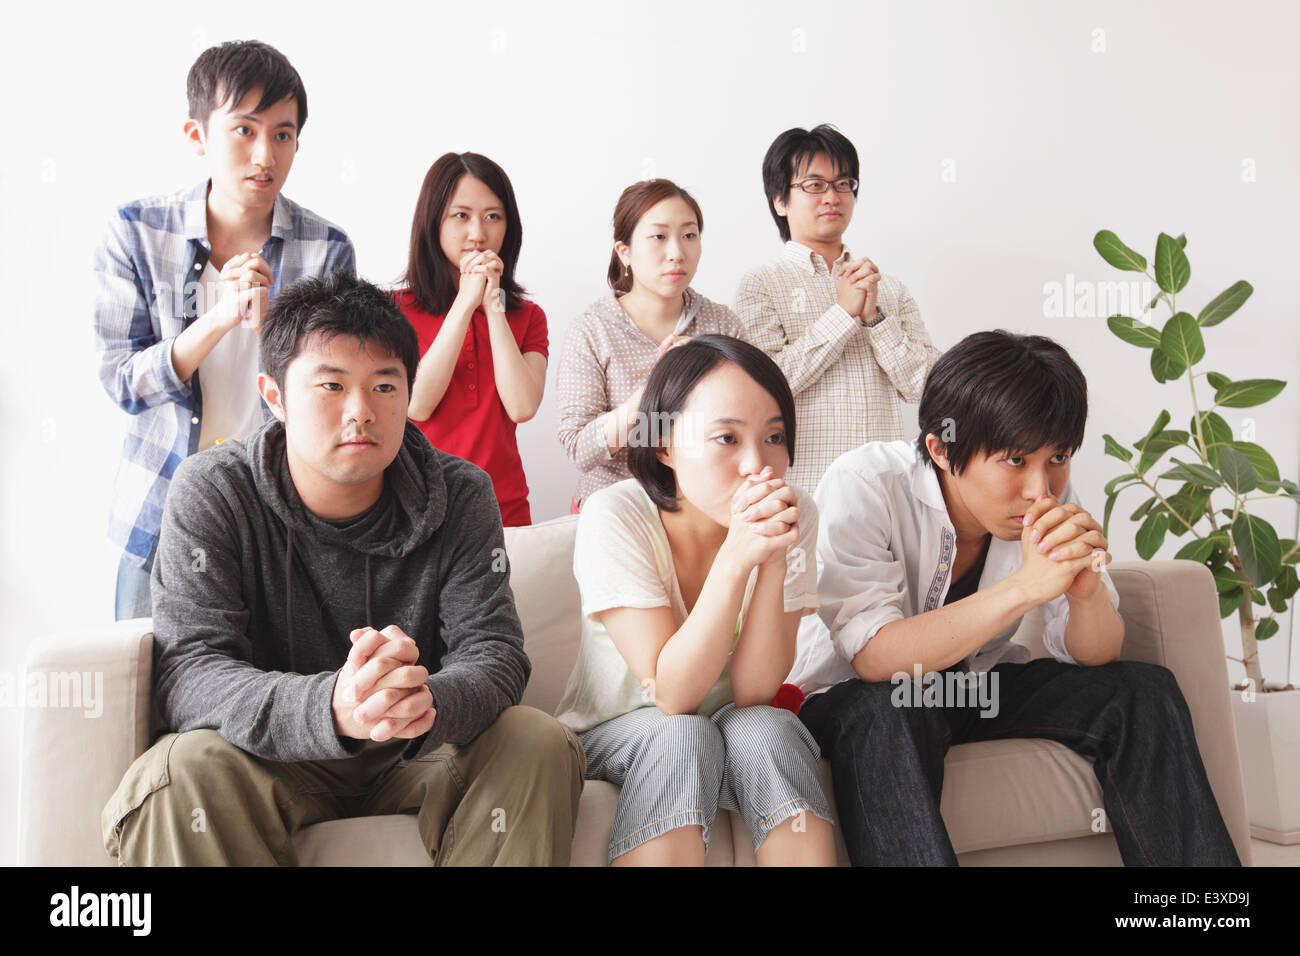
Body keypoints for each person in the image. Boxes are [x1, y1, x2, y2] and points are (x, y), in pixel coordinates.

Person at [101, 272, 584, 866]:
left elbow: (496, 654)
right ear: (274, 396)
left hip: (416, 749)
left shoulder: (461, 493)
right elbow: (190, 672)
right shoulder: (214, 490)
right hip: (269, 756)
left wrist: (421, 701)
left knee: (535, 740)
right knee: (179, 772)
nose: (361, 412)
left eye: (385, 386)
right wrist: (332, 705)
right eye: (330, 385)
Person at [788, 330, 1241, 866]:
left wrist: (1085, 592)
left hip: (975, 688)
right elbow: (876, 657)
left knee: (1141, 691)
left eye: (1058, 457)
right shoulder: (867, 482)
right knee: (889, 708)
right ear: (940, 447)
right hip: (858, 699)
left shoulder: (1050, 495)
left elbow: (1098, 654)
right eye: (1015, 460)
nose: (1040, 489)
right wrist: (1026, 585)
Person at [94, 40, 357, 621]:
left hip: (276, 524)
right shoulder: (136, 232)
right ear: (198, 137)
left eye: (283, 134)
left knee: (255, 701)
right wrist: (217, 317)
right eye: (244, 130)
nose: (265, 154)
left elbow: (333, 396)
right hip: (157, 521)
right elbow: (121, 382)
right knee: (140, 703)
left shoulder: (327, 248)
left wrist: (274, 332)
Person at [555, 334, 836, 866]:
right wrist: (735, 559)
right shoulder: (615, 515)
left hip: (733, 719)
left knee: (770, 728)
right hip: (617, 730)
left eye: (774, 437)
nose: (759, 465)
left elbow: (754, 691)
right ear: (664, 444)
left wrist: (772, 558)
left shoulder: (797, 513)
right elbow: (673, 695)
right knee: (682, 734)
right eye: (727, 438)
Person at [735, 123, 940, 493]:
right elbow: (762, 387)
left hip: (889, 491)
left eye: (843, 184)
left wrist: (875, 320)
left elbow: (929, 387)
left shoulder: (888, 288)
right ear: (780, 200)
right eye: (814, 185)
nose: (832, 196)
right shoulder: (760, 284)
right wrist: (842, 316)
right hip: (806, 491)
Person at [556, 178, 747, 511]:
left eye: (689, 235)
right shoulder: (592, 329)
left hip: (704, 507)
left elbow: (752, 421)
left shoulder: (722, 323)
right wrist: (651, 391)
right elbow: (579, 449)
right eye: (659, 237)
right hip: (616, 509)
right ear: (624, 252)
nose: (676, 252)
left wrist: (710, 373)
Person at [395, 152, 547, 526]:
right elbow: (415, 404)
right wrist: (464, 303)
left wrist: (493, 305)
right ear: (433, 222)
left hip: (503, 511)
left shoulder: (528, 317)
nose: (478, 234)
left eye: (493, 216)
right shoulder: (393, 310)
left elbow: (522, 407)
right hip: (416, 509)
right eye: (461, 215)